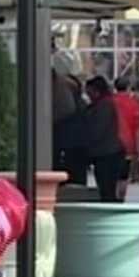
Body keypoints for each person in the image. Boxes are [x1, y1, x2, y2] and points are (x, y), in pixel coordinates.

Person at [84, 76, 126, 203]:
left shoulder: (104, 106)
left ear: (97, 91)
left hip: (106, 152)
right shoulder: (105, 104)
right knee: (107, 185)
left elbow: (97, 130)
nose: (88, 96)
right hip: (109, 151)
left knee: (106, 186)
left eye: (89, 92)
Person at [52, 54, 88, 186]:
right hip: (74, 139)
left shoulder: (62, 88)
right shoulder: (78, 100)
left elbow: (66, 110)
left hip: (67, 137)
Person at [111, 77, 139, 201]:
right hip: (127, 145)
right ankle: (121, 197)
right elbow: (137, 129)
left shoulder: (110, 102)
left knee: (112, 173)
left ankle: (112, 195)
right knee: (124, 175)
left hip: (111, 143)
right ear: (128, 87)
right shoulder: (134, 104)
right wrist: (138, 151)